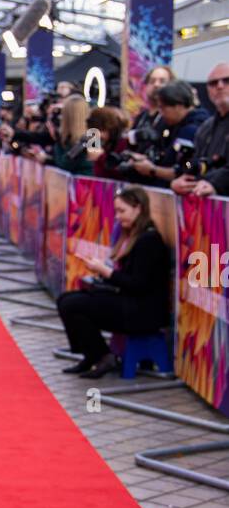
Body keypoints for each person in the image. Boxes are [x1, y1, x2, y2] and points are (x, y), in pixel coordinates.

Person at [56, 185, 171, 379]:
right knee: (65, 299)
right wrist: (103, 274)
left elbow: (138, 284)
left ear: (138, 208)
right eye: (116, 211)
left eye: (122, 211)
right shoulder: (131, 235)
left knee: (73, 305)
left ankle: (102, 356)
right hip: (129, 300)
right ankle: (92, 354)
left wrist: (106, 272)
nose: (117, 217)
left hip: (142, 310)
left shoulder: (149, 240)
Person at [123, 81, 199, 188]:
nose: (161, 113)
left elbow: (185, 168)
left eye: (163, 108)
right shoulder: (174, 127)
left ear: (178, 105)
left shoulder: (191, 130)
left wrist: (153, 170)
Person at [170, 63, 229, 199]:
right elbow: (192, 163)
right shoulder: (206, 127)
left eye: (227, 80)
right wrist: (179, 181)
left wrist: (215, 184)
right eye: (213, 83)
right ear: (207, 90)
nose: (220, 86)